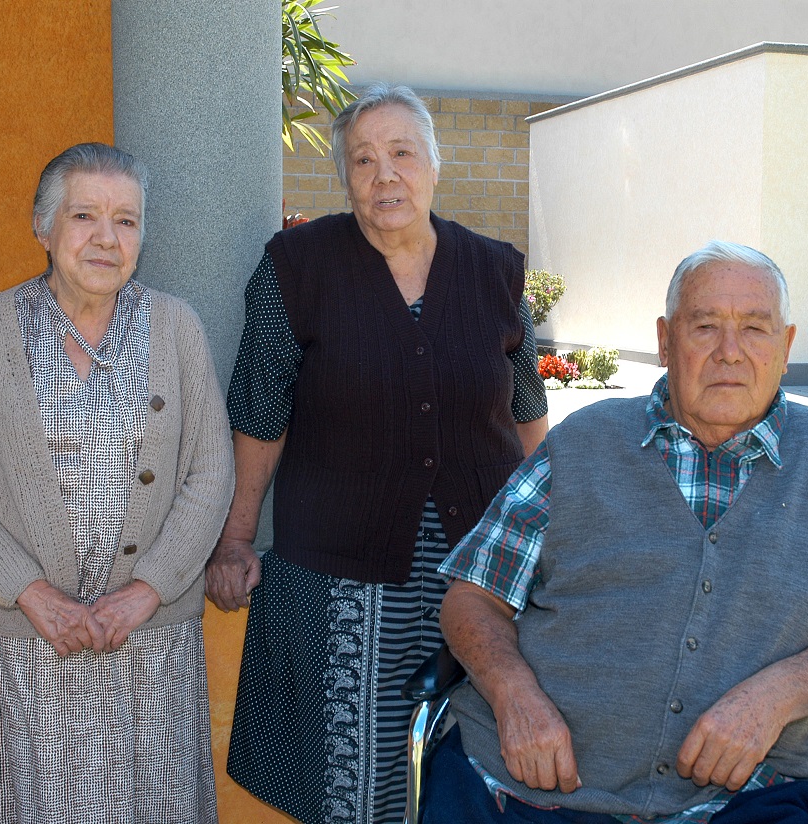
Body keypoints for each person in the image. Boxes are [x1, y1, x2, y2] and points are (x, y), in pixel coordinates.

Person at [427, 241, 808, 824]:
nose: (730, 353)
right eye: (706, 326)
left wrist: (779, 694)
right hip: (530, 785)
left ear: (786, 347)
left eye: (755, 329)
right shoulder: (582, 442)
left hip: (750, 797)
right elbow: (472, 597)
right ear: (665, 341)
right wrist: (514, 696)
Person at [207, 83, 549, 823]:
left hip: (478, 570)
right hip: (340, 572)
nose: (384, 174)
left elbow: (527, 414)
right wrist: (235, 538)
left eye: (401, 153)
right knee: (353, 780)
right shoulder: (295, 267)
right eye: (363, 160)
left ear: (434, 163)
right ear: (344, 178)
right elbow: (260, 412)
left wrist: (542, 542)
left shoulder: (495, 271)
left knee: (473, 764)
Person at [0, 142, 234, 823]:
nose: (106, 238)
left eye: (126, 221)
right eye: (84, 216)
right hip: (38, 639)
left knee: (158, 800)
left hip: (150, 635)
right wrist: (31, 593)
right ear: (43, 229)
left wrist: (148, 589)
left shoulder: (177, 328)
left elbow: (210, 473)